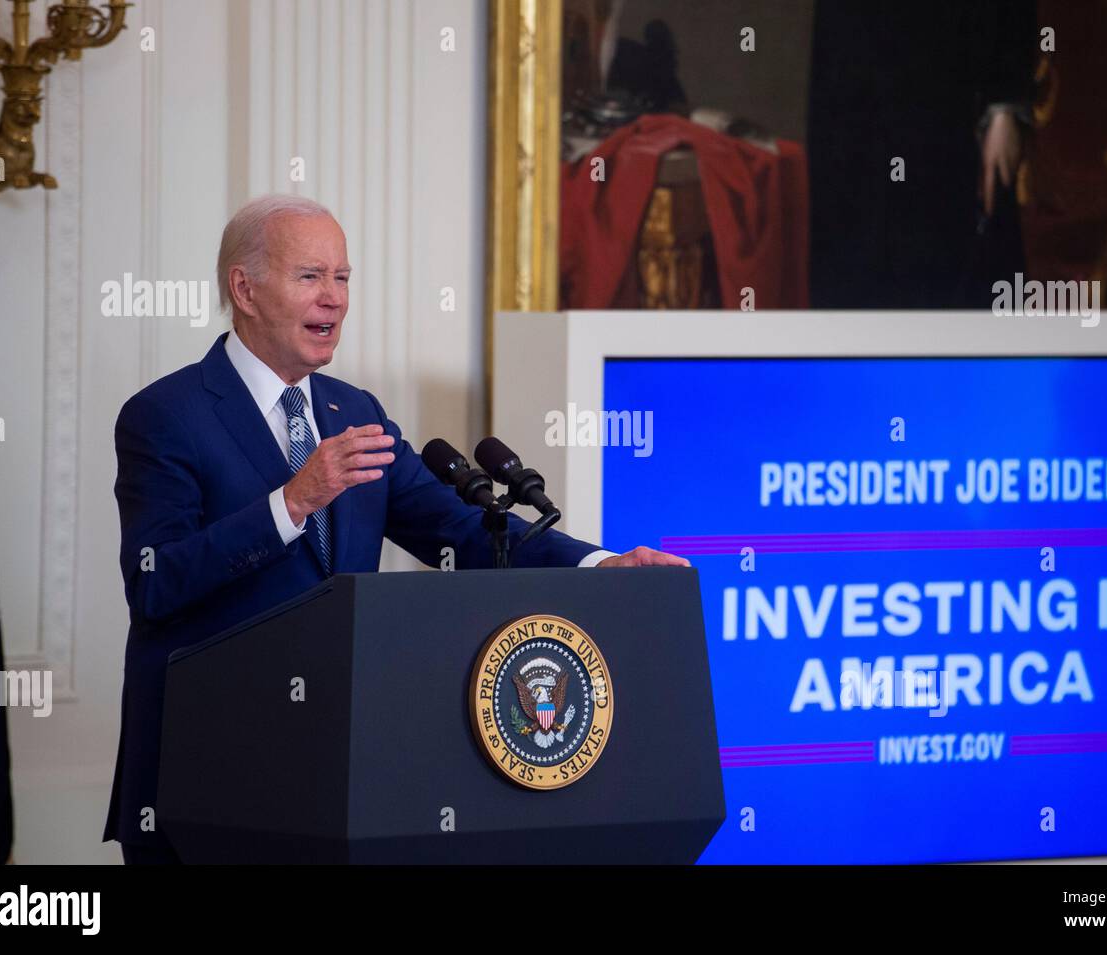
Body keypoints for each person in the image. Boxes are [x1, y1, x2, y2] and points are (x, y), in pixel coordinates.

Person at [103, 194, 687, 864]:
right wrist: (290, 503)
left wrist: (596, 567)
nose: (335, 300)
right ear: (245, 287)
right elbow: (155, 582)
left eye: (343, 278)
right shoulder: (165, 415)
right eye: (310, 277)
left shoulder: (353, 412)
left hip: (337, 777)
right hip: (206, 780)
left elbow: (465, 531)